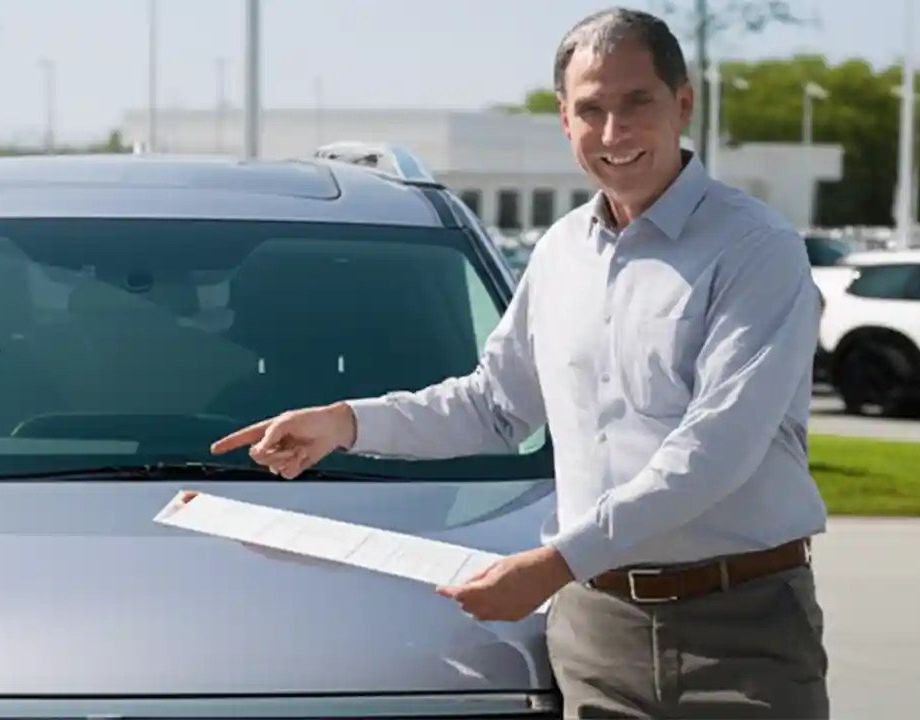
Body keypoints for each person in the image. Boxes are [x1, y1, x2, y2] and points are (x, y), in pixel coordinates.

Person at [210, 6, 828, 718]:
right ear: (564, 119)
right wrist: (346, 423)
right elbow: (494, 406)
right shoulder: (561, 252)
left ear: (682, 104)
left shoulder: (755, 248)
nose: (613, 133)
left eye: (637, 102)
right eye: (590, 110)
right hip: (596, 632)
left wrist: (555, 563)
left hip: (741, 628)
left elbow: (716, 449)